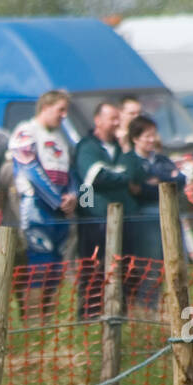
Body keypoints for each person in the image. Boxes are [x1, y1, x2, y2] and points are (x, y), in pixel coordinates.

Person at [7, 90, 78, 321]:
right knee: (40, 264)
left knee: (56, 267)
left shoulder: (61, 136)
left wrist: (72, 196)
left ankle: (48, 321)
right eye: (60, 110)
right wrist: (57, 201)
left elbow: (71, 172)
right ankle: (33, 322)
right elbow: (31, 171)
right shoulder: (25, 132)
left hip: (60, 212)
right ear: (45, 107)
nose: (64, 115)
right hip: (36, 208)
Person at [122, 115, 190, 310]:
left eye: (154, 135)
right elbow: (135, 186)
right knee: (150, 265)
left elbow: (181, 180)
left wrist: (156, 181)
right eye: (147, 136)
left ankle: (176, 307)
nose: (152, 140)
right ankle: (148, 307)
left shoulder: (161, 159)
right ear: (135, 138)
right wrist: (163, 181)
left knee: (176, 263)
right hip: (144, 219)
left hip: (169, 216)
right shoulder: (130, 160)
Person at [73, 101, 132, 319]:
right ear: (98, 120)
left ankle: (116, 311)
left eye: (119, 118)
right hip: (93, 215)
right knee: (94, 265)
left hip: (122, 216)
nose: (117, 123)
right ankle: (89, 312)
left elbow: (133, 172)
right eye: (112, 118)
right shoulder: (87, 146)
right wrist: (122, 177)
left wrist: (125, 152)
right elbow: (93, 178)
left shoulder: (121, 147)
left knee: (119, 265)